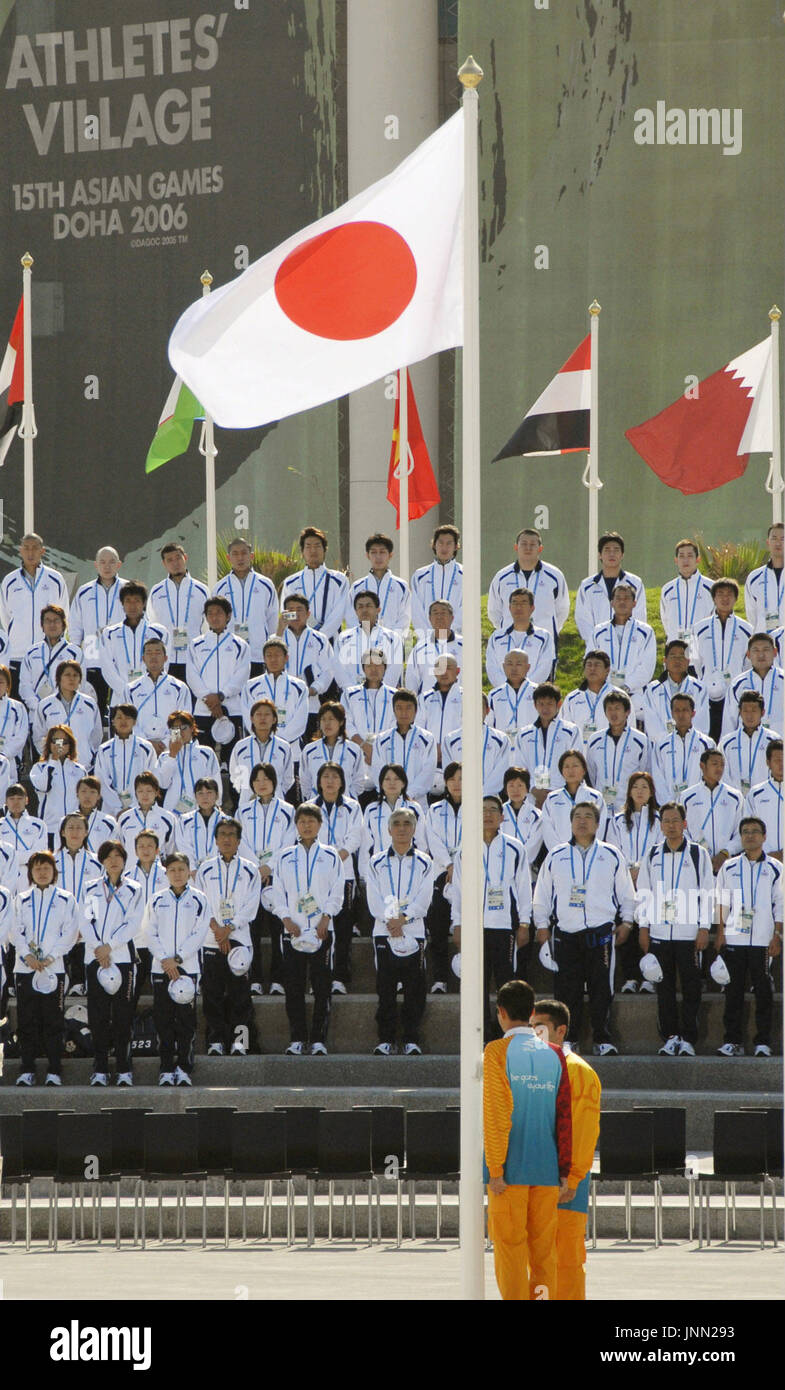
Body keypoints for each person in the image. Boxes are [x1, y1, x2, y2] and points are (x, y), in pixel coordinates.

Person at [483, 978, 572, 1302]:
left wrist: (494, 1168)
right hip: (546, 1169)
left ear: (501, 1013)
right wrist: (564, 1170)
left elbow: (496, 1112)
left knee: (510, 1249)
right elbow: (564, 1116)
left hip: (509, 1171)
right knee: (543, 1252)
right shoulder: (555, 1054)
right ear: (532, 1011)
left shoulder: (495, 1051)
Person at [533, 802, 635, 1054]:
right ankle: (569, 1040)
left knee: (602, 989)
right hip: (566, 933)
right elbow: (542, 893)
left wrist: (628, 921)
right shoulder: (556, 854)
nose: (582, 821)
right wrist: (541, 925)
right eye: (577, 816)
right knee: (568, 990)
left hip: (601, 933)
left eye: (588, 816)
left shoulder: (611, 854)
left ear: (597, 824)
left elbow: (626, 891)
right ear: (570, 822)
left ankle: (603, 1039)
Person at [530, 997, 601, 1302]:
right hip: (536, 1181)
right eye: (531, 1027)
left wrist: (571, 1178)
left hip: (566, 1185)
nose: (534, 1035)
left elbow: (584, 1132)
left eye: (540, 1028)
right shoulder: (531, 1068)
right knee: (539, 1259)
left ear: (560, 1031)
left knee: (567, 1259)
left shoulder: (578, 1072)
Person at [451, 795, 532, 1041]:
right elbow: (458, 890)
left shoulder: (515, 847)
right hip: (475, 928)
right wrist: (458, 923)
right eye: (482, 809)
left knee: (506, 984)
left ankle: (506, 1035)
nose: (487, 814)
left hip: (504, 926)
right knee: (478, 985)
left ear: (502, 816)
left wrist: (525, 923)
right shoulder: (466, 849)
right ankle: (481, 1035)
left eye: (493, 810)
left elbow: (523, 886)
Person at [636, 801, 713, 1056]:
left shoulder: (698, 854)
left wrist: (704, 928)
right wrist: (644, 927)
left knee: (691, 987)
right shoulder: (652, 854)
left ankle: (688, 1038)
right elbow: (644, 893)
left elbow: (708, 893)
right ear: (660, 825)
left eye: (675, 820)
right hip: (659, 933)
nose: (670, 825)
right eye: (666, 821)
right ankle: (669, 1037)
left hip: (688, 934)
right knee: (664, 987)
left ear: (685, 823)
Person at [270, 802, 345, 1055]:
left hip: (322, 930)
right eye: (302, 821)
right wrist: (285, 919)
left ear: (320, 825)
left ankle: (318, 1040)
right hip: (293, 931)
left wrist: (326, 917)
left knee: (322, 988)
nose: (307, 825)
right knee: (293, 988)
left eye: (311, 821)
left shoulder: (331, 855)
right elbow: (277, 891)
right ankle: (297, 1038)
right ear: (296, 825)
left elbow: (337, 890)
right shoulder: (284, 856)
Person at [365, 807, 434, 1055]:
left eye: (407, 823)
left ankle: (410, 1039)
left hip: (413, 931)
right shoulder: (376, 861)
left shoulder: (426, 861)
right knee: (386, 988)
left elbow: (425, 897)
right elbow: (373, 896)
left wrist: (403, 919)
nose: (402, 828)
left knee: (415, 990)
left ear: (414, 829)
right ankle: (386, 1039)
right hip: (384, 933)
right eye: (397, 823)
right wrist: (390, 920)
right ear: (388, 829)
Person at [715, 817, 782, 1057]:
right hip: (735, 939)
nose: (750, 836)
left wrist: (777, 935)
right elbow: (722, 901)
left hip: (763, 940)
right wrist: (720, 932)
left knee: (763, 991)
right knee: (733, 992)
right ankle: (732, 1041)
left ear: (764, 837)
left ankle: (763, 1041)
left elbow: (780, 903)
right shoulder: (729, 866)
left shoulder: (776, 867)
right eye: (745, 832)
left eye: (755, 832)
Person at [12, 850, 80, 1086]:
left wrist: (51, 956)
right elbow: (14, 931)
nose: (42, 872)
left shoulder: (66, 898)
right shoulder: (20, 899)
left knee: (54, 1021)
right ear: (30, 872)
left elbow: (70, 932)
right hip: (25, 968)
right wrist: (27, 956)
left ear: (54, 872)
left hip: (54, 968)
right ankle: (27, 1069)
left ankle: (54, 1070)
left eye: (46, 868)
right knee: (27, 1021)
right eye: (37, 868)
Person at [195, 818, 261, 1056]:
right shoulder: (205, 869)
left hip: (240, 940)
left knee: (240, 997)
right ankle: (215, 1041)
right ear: (215, 839)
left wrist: (229, 928)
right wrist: (216, 928)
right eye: (222, 834)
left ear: (239, 840)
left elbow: (251, 906)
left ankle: (240, 1042)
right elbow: (200, 903)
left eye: (231, 834)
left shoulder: (250, 870)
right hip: (211, 939)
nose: (226, 838)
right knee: (212, 994)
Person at [82, 840, 144, 1086]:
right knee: (97, 1017)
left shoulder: (134, 888)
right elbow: (87, 921)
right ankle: (99, 1068)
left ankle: (123, 1068)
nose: (114, 860)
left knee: (122, 1016)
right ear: (102, 860)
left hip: (123, 959)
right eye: (109, 856)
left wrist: (111, 946)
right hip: (95, 957)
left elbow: (133, 922)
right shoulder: (91, 888)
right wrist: (99, 947)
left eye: (118, 856)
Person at [146, 851, 210, 1085]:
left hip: (188, 967)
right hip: (161, 968)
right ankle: (165, 1068)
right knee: (163, 1020)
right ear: (166, 872)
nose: (177, 874)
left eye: (181, 869)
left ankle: (184, 1067)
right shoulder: (156, 899)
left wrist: (179, 959)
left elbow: (199, 932)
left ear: (188, 870)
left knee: (185, 1021)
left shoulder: (200, 899)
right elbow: (149, 931)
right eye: (172, 870)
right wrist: (165, 959)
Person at [238, 762, 297, 997]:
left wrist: (269, 868)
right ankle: (254, 979)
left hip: (277, 878)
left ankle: (277, 980)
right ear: (251, 784)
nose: (262, 784)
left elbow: (289, 840)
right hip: (251, 878)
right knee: (252, 931)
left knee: (277, 932)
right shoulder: (242, 810)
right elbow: (239, 840)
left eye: (266, 779)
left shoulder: (288, 810)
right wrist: (256, 868)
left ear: (274, 782)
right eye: (257, 780)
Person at [314, 761, 363, 994]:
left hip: (344, 874)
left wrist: (336, 857)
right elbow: (303, 834)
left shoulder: (353, 807)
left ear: (342, 781)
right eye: (326, 776)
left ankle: (339, 977)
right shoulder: (309, 807)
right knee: (317, 925)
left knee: (342, 927)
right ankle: (318, 977)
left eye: (335, 776)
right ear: (319, 781)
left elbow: (355, 837)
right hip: (316, 875)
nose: (330, 781)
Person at [0, 533, 70, 695]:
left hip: (47, 654)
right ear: (20, 551)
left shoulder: (55, 579)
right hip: (17, 655)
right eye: (26, 548)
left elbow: (64, 614)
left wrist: (55, 646)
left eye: (35, 548)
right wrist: (16, 636)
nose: (30, 553)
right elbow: (5, 617)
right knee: (18, 703)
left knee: (46, 706)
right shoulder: (10, 581)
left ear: (43, 551)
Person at [486, 527, 570, 654]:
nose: (528, 548)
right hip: (510, 644)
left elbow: (562, 609)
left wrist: (547, 630)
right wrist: (509, 629)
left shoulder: (554, 575)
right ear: (516, 547)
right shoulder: (502, 577)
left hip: (543, 644)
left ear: (540, 548)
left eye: (533, 544)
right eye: (524, 544)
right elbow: (494, 611)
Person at [185, 596, 251, 751]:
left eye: (219, 613)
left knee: (232, 759)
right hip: (203, 708)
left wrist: (221, 696)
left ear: (228, 616)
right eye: (210, 613)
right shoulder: (195, 644)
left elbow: (242, 675)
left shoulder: (240, 645)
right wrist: (208, 698)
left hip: (232, 708)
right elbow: (192, 675)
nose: (214, 617)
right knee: (202, 754)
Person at [692, 579, 752, 742]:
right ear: (713, 598)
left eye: (729, 595)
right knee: (708, 736)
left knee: (731, 737)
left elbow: (748, 663)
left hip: (735, 692)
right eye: (720, 594)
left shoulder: (747, 629)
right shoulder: (699, 628)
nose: (725, 599)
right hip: (707, 692)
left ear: (735, 598)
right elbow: (695, 661)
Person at [69, 546, 126, 714]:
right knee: (94, 704)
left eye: (111, 562)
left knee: (121, 704)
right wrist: (75, 651)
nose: (107, 566)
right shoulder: (84, 591)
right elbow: (75, 624)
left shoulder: (128, 589)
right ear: (96, 565)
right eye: (102, 562)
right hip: (92, 654)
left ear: (119, 565)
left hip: (120, 654)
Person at [591, 582, 657, 723]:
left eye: (626, 598)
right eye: (618, 598)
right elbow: (591, 663)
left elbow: (647, 667)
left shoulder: (645, 632)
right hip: (605, 696)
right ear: (611, 602)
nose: (622, 601)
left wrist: (626, 687)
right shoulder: (598, 631)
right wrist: (608, 689)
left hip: (635, 696)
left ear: (634, 603)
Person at [100, 582, 170, 712]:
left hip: (150, 696)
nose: (132, 606)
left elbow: (164, 664)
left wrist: (144, 688)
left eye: (137, 601)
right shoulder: (110, 633)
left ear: (144, 603)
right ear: (122, 604)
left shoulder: (160, 632)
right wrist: (126, 690)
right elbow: (107, 668)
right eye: (128, 601)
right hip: (120, 698)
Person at [213, 537, 279, 676]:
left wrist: (272, 648)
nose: (240, 558)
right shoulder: (220, 587)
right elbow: (214, 621)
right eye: (235, 554)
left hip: (259, 654)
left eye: (244, 553)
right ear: (228, 557)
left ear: (251, 556)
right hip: (229, 654)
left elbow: (273, 619)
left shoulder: (265, 584)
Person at [512, 683, 584, 807]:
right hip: (531, 797)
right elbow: (518, 767)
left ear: (559, 704)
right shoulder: (524, 734)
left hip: (562, 795)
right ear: (535, 705)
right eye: (541, 703)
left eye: (550, 704)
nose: (545, 708)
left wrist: (555, 792)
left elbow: (575, 765)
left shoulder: (571, 731)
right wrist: (534, 790)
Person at [424, 761, 462, 992]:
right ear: (445, 783)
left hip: (468, 875)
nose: (457, 784)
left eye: (462, 779)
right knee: (437, 925)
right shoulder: (435, 810)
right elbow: (433, 840)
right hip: (442, 874)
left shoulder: (478, 808)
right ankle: (440, 978)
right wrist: (449, 864)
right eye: (452, 779)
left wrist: (459, 864)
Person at [56, 812, 102, 996]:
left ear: (86, 832)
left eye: (79, 828)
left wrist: (87, 924)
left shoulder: (97, 861)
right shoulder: (51, 860)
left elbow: (97, 894)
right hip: (59, 922)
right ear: (62, 832)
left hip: (86, 922)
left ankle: (80, 982)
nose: (75, 832)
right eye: (70, 827)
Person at [147, 543, 209, 681]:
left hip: (194, 659)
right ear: (164, 563)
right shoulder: (157, 591)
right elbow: (152, 625)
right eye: (170, 560)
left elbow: (207, 626)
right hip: (166, 660)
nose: (175, 563)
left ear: (185, 558)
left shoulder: (202, 590)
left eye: (178, 558)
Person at [574, 532, 646, 646]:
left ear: (622, 554)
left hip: (627, 645)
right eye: (607, 550)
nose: (612, 554)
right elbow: (582, 618)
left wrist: (628, 640)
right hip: (597, 647)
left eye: (616, 550)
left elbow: (639, 615)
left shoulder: (635, 583)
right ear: (600, 555)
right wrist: (594, 641)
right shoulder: (587, 585)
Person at [584, 689, 650, 814]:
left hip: (630, 806)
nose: (613, 713)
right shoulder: (595, 740)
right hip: (600, 806)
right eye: (609, 709)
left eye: (617, 708)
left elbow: (645, 771)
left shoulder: (640, 740)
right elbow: (592, 773)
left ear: (627, 712)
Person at [279, 526, 349, 642]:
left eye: (317, 546)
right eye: (308, 546)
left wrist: (321, 636)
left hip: (330, 643)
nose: (313, 550)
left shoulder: (339, 580)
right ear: (302, 552)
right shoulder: (290, 582)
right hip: (300, 641)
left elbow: (339, 613)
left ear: (324, 549)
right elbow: (286, 614)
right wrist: (304, 636)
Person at [344, 648, 398, 795]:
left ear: (385, 668)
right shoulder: (350, 694)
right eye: (369, 665)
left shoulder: (395, 695)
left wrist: (377, 752)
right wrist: (364, 746)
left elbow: (396, 725)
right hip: (358, 755)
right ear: (363, 668)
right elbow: (346, 723)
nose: (374, 669)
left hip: (385, 756)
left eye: (378, 665)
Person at [122, 638, 192, 750]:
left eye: (158, 653)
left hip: (172, 748)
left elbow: (184, 721)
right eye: (149, 653)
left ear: (165, 658)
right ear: (143, 659)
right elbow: (128, 721)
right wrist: (146, 745)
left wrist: (166, 744)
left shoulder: (180, 688)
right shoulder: (131, 689)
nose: (153, 656)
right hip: (140, 749)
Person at [370, 689, 437, 805]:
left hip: (417, 801)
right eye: (399, 708)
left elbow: (428, 772)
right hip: (389, 801)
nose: (404, 712)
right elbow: (378, 771)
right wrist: (393, 794)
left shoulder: (427, 738)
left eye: (408, 707)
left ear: (416, 711)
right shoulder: (381, 740)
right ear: (393, 710)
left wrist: (408, 794)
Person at [279, 594, 335, 735]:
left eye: (300, 609)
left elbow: (328, 671)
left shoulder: (320, 639)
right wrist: (279, 630)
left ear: (308, 613)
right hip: (282, 704)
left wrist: (314, 689)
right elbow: (269, 665)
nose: (296, 614)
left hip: (311, 704)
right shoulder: (277, 638)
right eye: (291, 610)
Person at [359, 763, 424, 879]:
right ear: (381, 784)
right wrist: (364, 875)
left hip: (409, 869)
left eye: (396, 779)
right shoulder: (372, 810)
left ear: (403, 783)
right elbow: (366, 845)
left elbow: (421, 842)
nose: (392, 783)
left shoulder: (414, 808)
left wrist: (420, 870)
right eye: (387, 779)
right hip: (380, 870)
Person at [682, 749, 743, 874]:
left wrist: (725, 852)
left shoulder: (735, 796)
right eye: (715, 764)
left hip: (728, 863)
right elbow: (683, 830)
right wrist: (697, 852)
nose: (719, 769)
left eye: (722, 765)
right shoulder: (687, 796)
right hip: (697, 862)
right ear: (702, 766)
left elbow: (741, 831)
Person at [33, 660, 103, 765]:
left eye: (76, 675)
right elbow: (38, 735)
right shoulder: (45, 705)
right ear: (59, 678)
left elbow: (97, 734)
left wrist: (90, 753)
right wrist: (50, 755)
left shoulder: (89, 704)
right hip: (55, 764)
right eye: (67, 675)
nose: (72, 678)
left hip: (83, 764)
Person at [241, 637, 308, 745]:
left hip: (291, 747)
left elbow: (300, 719)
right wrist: (264, 738)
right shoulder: (251, 686)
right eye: (269, 655)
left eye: (277, 655)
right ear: (264, 658)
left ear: (286, 658)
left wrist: (280, 741)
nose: (273, 659)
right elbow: (248, 716)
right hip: (261, 745)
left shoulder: (299, 686)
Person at [19, 604, 84, 716]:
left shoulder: (75, 652)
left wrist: (58, 705)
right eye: (47, 620)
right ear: (42, 625)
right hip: (36, 713)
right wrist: (38, 706)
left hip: (65, 712)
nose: (52, 624)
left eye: (56, 620)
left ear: (63, 625)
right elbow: (24, 685)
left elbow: (81, 684)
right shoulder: (31, 652)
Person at [92, 704, 157, 816]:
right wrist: (117, 807)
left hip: (140, 808)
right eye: (119, 717)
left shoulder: (146, 748)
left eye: (128, 718)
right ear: (113, 721)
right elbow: (101, 780)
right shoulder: (104, 749)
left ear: (135, 722)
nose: (123, 721)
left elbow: (151, 778)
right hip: (111, 810)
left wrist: (133, 807)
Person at [485, 588, 555, 689]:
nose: (518, 607)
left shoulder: (544, 637)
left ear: (532, 608)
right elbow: (492, 668)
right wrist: (506, 688)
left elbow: (544, 668)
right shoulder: (496, 637)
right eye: (514, 603)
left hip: (532, 694)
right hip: (503, 695)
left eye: (523, 602)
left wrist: (525, 688)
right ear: (509, 608)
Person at [332, 591, 404, 690]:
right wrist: (352, 692)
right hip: (352, 696)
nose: (364, 610)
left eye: (368, 606)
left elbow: (394, 670)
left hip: (383, 696)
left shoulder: (393, 638)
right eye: (360, 607)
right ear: (356, 611)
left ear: (378, 610)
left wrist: (381, 689)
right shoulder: (343, 638)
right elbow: (338, 669)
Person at [651, 694, 714, 806]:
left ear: (693, 713)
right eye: (677, 710)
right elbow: (658, 777)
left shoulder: (707, 744)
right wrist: (668, 804)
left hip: (699, 805)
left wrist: (700, 800)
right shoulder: (661, 745)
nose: (681, 714)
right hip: (670, 807)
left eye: (685, 710)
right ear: (672, 713)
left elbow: (711, 775)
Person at [230, 698, 295, 806]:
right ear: (251, 718)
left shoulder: (284, 747)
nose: (262, 718)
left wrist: (277, 791)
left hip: (276, 803)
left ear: (274, 719)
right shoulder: (241, 746)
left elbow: (288, 779)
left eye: (267, 714)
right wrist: (247, 792)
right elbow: (235, 776)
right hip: (247, 802)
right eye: (258, 714)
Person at [540, 751, 609, 852]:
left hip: (589, 852)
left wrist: (588, 849)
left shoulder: (595, 797)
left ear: (584, 770)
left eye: (575, 766)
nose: (570, 770)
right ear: (561, 771)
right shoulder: (552, 798)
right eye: (566, 767)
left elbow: (600, 825)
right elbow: (547, 828)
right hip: (560, 856)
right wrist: (559, 851)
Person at [155, 710, 221, 814]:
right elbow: (163, 783)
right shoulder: (164, 757)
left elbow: (215, 780)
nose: (180, 732)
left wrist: (217, 805)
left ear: (192, 728)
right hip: (173, 811)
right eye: (175, 729)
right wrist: (172, 755)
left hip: (200, 809)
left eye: (184, 728)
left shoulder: (206, 753)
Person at [643, 639, 709, 743]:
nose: (677, 660)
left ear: (688, 661)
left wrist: (685, 740)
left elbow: (701, 722)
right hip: (661, 747)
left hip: (691, 745)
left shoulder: (699, 688)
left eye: (682, 656)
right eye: (673, 656)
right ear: (664, 660)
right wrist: (669, 743)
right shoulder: (652, 689)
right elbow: (652, 725)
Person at [30, 725, 88, 842]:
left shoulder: (79, 770)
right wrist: (53, 761)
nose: (59, 745)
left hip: (74, 829)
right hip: (50, 828)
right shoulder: (39, 768)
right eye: (55, 741)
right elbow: (44, 786)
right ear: (49, 743)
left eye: (64, 742)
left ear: (70, 744)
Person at [443, 697, 510, 797]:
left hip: (489, 798)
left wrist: (483, 793)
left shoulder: (501, 739)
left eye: (479, 708)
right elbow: (449, 771)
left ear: (487, 710)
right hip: (460, 798)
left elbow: (502, 770)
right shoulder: (450, 739)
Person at [345, 532, 411, 633]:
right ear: (367, 555)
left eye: (382, 552)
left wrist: (391, 639)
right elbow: (350, 615)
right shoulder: (357, 586)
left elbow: (405, 617)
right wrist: (365, 635)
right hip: (363, 641)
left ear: (390, 555)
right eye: (374, 552)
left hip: (391, 643)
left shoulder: (401, 586)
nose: (378, 557)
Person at [721, 632, 784, 737]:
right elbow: (729, 722)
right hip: (747, 746)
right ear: (748, 655)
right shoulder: (738, 684)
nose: (761, 655)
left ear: (775, 652)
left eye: (766, 650)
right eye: (756, 650)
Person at [300, 700, 364, 801]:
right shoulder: (309, 750)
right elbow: (305, 781)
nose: (327, 723)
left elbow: (359, 781)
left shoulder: (354, 750)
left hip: (344, 805)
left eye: (331, 719)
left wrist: (348, 796)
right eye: (323, 719)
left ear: (341, 722)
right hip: (317, 807)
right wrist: (312, 798)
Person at [718, 690, 778, 794]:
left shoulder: (774, 740)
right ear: (739, 712)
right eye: (745, 711)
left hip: (765, 799)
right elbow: (721, 773)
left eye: (754, 710)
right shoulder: (726, 742)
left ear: (762, 712)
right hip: (734, 800)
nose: (749, 716)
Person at [417, 655, 462, 790]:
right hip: (428, 760)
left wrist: (446, 747)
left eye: (448, 667)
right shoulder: (424, 698)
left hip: (457, 760)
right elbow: (418, 728)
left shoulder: (467, 696)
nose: (444, 672)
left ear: (458, 671)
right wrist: (432, 747)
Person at [659, 539, 714, 647]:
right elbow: (665, 620)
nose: (685, 560)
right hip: (675, 651)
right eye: (681, 556)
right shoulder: (667, 589)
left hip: (703, 649)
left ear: (697, 559)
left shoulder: (711, 587)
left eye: (690, 556)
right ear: (676, 560)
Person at [410, 524, 463, 635]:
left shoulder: (465, 575)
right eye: (440, 543)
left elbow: (466, 608)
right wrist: (429, 635)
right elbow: (416, 610)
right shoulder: (420, 576)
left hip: (457, 639)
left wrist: (450, 634)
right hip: (428, 639)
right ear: (433, 544)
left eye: (449, 543)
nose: (444, 548)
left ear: (456, 546)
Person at [404, 599, 463, 695]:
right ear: (430, 618)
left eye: (443, 613)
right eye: (435, 613)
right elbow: (412, 679)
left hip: (459, 701)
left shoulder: (464, 645)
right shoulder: (420, 647)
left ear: (452, 618)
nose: (439, 617)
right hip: (428, 704)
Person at [116, 771, 177, 858]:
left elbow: (171, 849)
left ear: (156, 792)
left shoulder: (168, 818)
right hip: (131, 869)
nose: (145, 795)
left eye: (149, 790)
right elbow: (121, 847)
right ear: (136, 793)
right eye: (140, 791)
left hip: (157, 869)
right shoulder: (125, 818)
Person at [174, 778, 228, 872]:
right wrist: (192, 869)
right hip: (191, 874)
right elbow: (182, 846)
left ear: (217, 795)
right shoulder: (184, 820)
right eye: (200, 793)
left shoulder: (226, 821)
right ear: (195, 796)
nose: (205, 797)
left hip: (220, 872)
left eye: (209, 792)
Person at [562, 652, 616, 743]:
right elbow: (564, 730)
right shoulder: (572, 698)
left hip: (609, 752)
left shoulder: (618, 696)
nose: (592, 669)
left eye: (597, 665)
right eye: (589, 665)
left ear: (607, 670)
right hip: (580, 753)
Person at [486, 650, 538, 743]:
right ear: (503, 667)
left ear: (528, 667)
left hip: (531, 744)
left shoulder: (538, 691)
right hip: (503, 746)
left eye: (519, 664)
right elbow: (488, 724)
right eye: (510, 664)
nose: (514, 669)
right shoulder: (494, 695)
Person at [744, 739, 783, 861]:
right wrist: (764, 854)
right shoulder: (756, 793)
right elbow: (747, 828)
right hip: (764, 861)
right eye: (777, 760)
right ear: (768, 763)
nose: (781, 764)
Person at [744, 522, 784, 634]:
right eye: (774, 538)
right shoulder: (754, 578)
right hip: (764, 642)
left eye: (782, 539)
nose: (778, 543)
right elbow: (751, 614)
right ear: (768, 542)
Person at [501, 767, 544, 868]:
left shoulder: (537, 815)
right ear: (505, 789)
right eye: (511, 785)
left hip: (526, 866)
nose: (515, 790)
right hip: (501, 864)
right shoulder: (499, 812)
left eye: (520, 785)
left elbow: (534, 844)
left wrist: (518, 859)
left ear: (527, 788)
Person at [0, 663, 30, 778]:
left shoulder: (17, 707)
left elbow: (21, 736)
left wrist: (4, 754)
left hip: (9, 761)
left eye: (1, 682)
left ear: (8, 685)